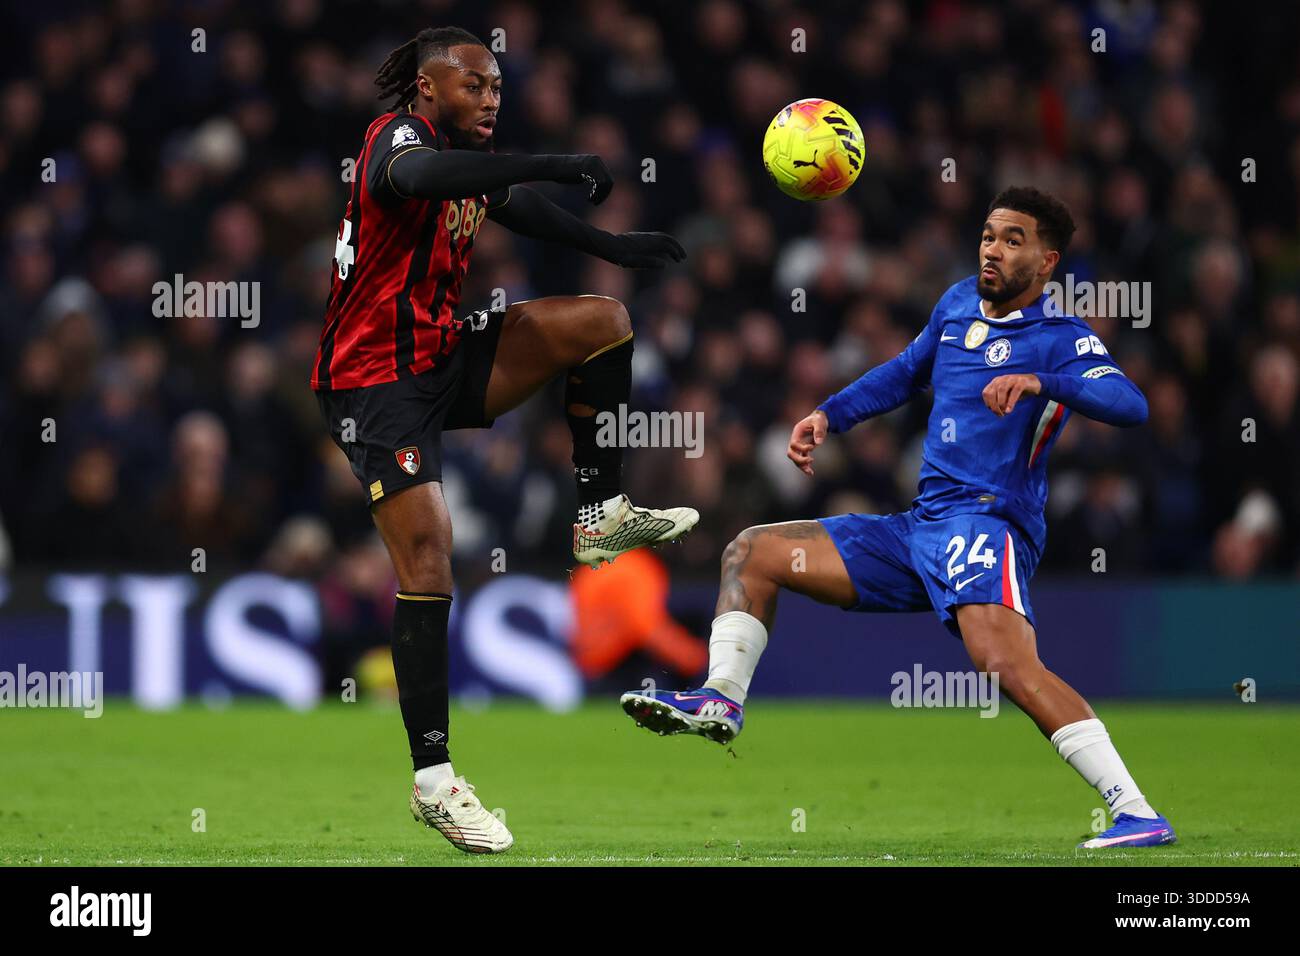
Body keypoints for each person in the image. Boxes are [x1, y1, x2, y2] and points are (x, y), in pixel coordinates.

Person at [622, 187, 1177, 850]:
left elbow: (1129, 403)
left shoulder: (1060, 339)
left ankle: (1135, 810)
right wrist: (829, 414)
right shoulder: (954, 307)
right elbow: (906, 372)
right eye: (989, 235)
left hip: (986, 523)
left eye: (1013, 240)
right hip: (920, 529)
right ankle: (721, 696)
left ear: (1048, 261)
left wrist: (1042, 382)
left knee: (1004, 664)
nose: (993, 250)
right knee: (753, 552)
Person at [314, 26, 697, 854]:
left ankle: (599, 515)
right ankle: (434, 784)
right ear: (426, 89)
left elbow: (510, 204)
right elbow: (425, 177)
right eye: (474, 85)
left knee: (601, 322)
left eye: (496, 88)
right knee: (429, 563)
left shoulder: (463, 164)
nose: (490, 99)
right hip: (372, 384)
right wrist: (554, 159)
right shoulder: (396, 141)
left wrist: (608, 248)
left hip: (440, 357)